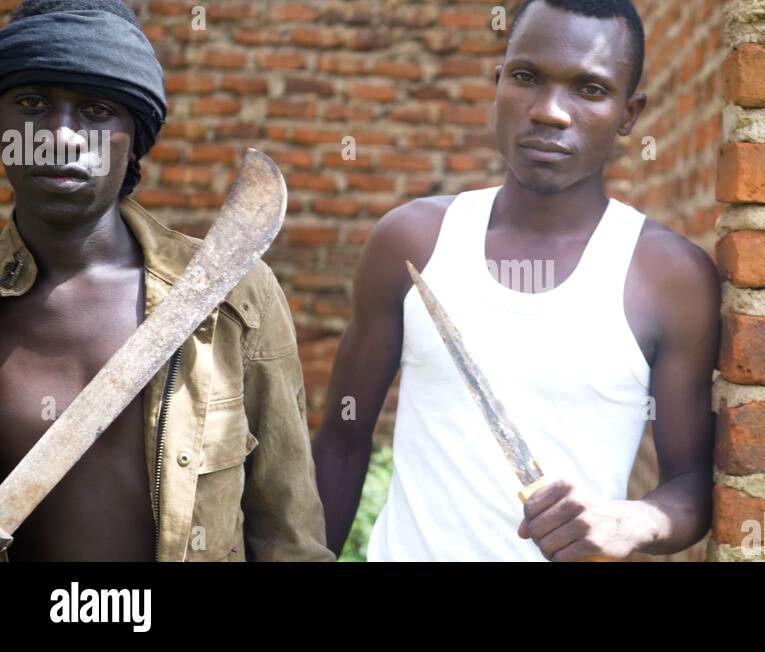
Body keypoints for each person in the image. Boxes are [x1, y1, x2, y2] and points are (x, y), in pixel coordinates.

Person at [314, 0, 720, 561]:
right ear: (498, 83)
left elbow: (695, 482)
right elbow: (342, 440)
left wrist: (633, 520)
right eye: (527, 78)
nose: (550, 111)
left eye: (590, 89)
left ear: (630, 113)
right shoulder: (411, 242)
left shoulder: (669, 277)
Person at [0, 0, 333, 562]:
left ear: (134, 136)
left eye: (97, 110)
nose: (60, 135)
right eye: (32, 104)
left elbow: (289, 535)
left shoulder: (232, 295)